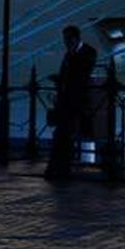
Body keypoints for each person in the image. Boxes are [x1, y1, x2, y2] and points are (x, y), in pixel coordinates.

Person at [44, 25, 97, 180]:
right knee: (63, 134)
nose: (66, 42)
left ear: (75, 38)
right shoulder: (72, 54)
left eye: (68, 39)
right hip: (67, 100)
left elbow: (81, 73)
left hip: (77, 100)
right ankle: (59, 167)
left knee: (63, 134)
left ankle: (58, 167)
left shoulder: (86, 53)